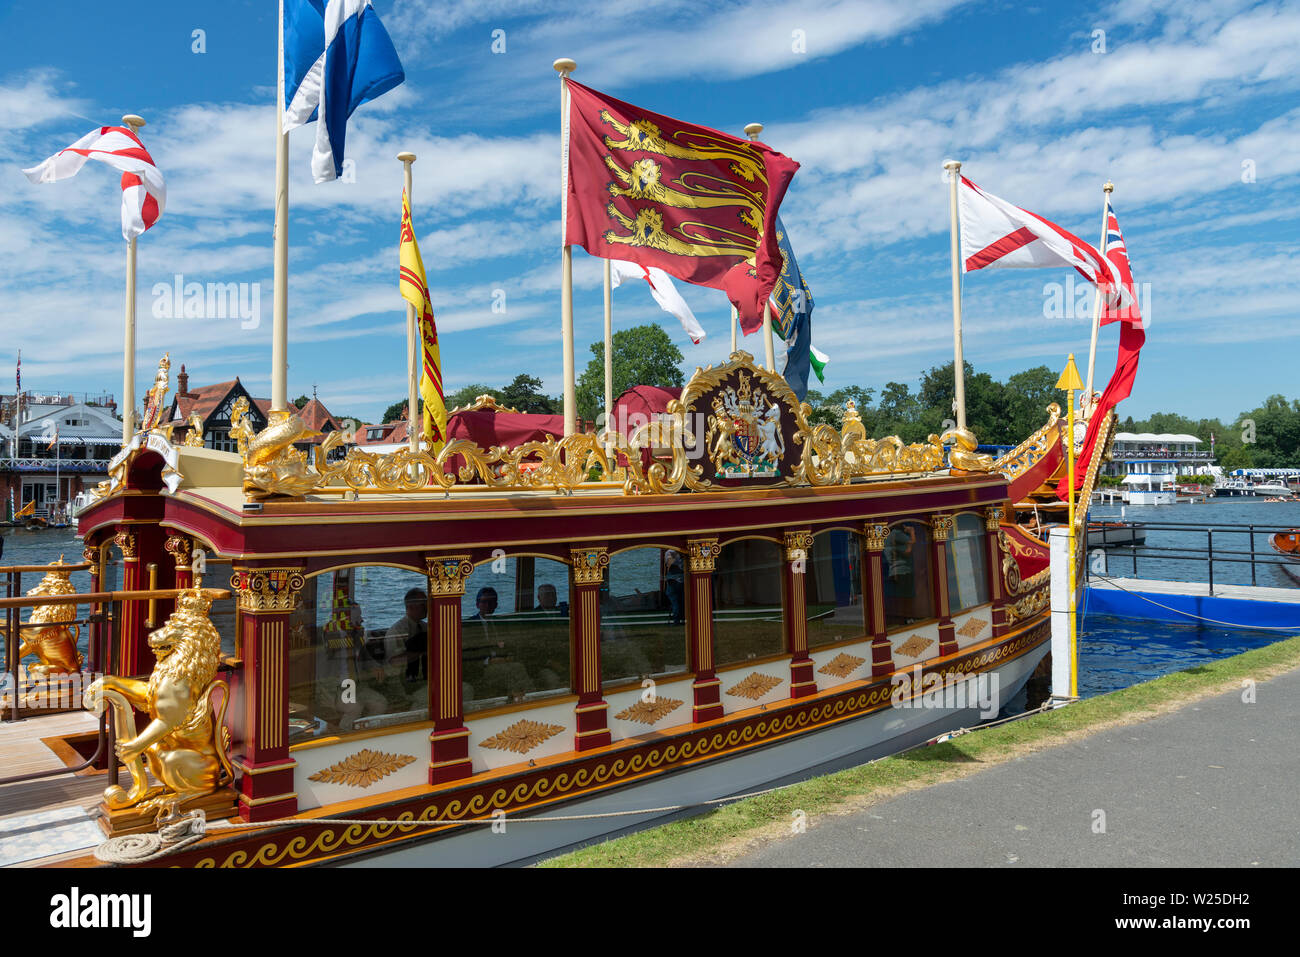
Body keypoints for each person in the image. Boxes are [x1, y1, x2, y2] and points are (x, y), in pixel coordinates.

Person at [384, 588, 429, 684]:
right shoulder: (396, 632)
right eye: (423, 604)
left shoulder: (426, 627)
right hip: (402, 682)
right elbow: (393, 662)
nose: (427, 607)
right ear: (411, 606)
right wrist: (422, 652)